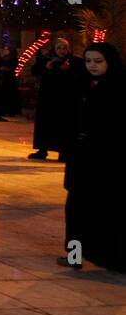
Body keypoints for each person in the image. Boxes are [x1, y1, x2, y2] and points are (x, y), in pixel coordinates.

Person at [61, 42, 124, 271]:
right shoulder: (83, 85)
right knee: (76, 209)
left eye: (98, 61)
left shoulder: (118, 87)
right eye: (89, 61)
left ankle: (111, 257)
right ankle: (75, 255)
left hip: (109, 162)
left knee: (108, 211)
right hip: (83, 160)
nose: (93, 66)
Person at [29, 37, 84, 161]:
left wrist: (67, 71)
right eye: (59, 48)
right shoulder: (47, 60)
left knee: (63, 125)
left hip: (65, 100)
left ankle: (63, 152)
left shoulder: (74, 61)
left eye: (64, 48)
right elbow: (35, 71)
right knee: (45, 124)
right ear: (54, 48)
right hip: (48, 99)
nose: (62, 51)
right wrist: (47, 68)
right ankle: (42, 150)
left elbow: (79, 77)